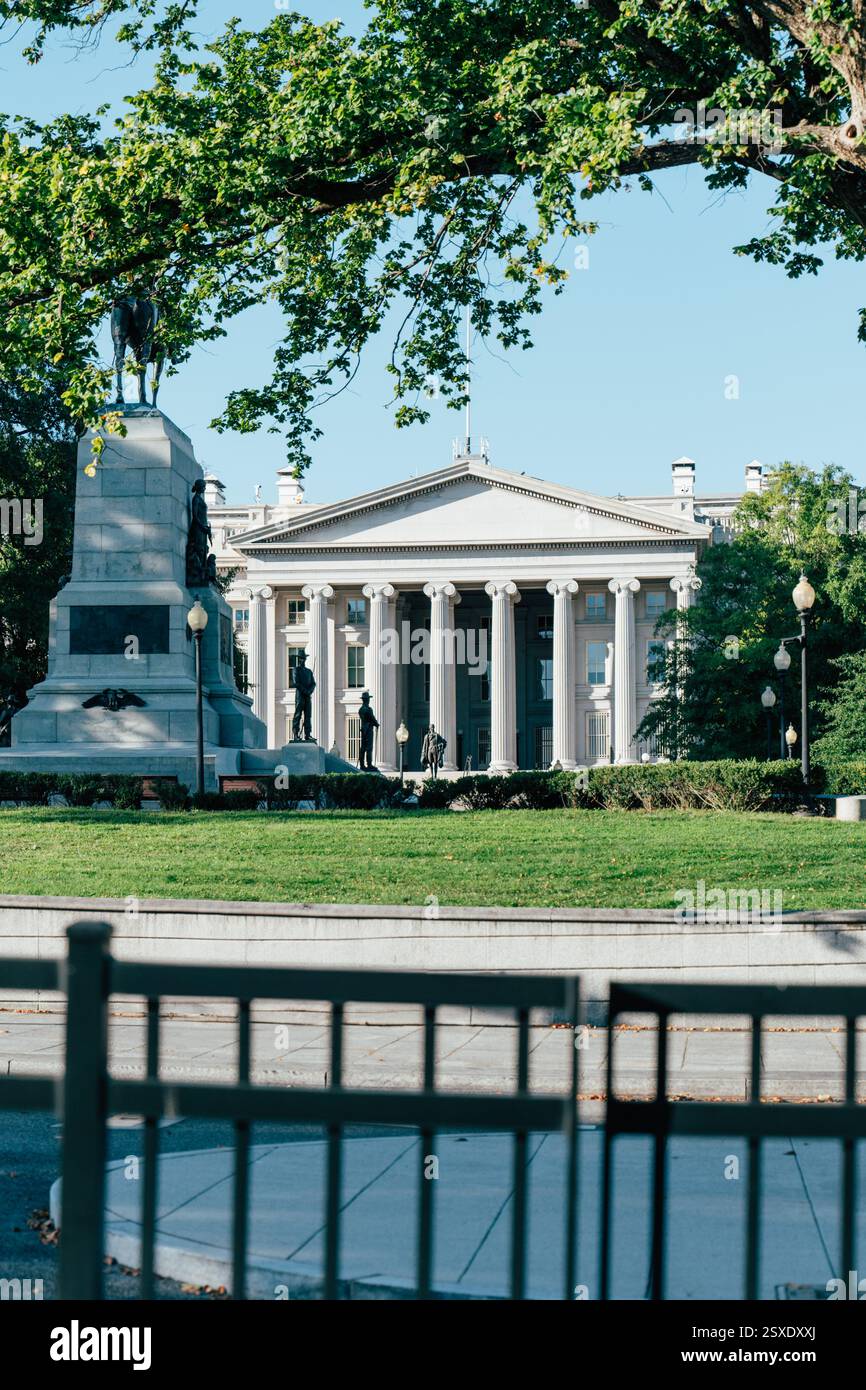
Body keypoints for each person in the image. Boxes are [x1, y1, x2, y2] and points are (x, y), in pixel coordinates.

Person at [291, 652, 316, 741]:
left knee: (308, 716)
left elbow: (313, 683)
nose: (302, 660)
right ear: (298, 659)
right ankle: (296, 734)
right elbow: (296, 683)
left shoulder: (309, 671)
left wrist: (310, 691)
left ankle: (308, 734)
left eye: (303, 658)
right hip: (300, 696)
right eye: (301, 658)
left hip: (307, 696)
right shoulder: (296, 670)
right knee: (298, 715)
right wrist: (305, 691)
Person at [357, 691, 379, 770]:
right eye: (368, 699)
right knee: (369, 747)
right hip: (369, 729)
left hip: (363, 729)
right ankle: (369, 764)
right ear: (366, 700)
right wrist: (376, 724)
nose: (369, 700)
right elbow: (372, 718)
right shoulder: (368, 709)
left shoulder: (360, 709)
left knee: (363, 747)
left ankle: (362, 765)